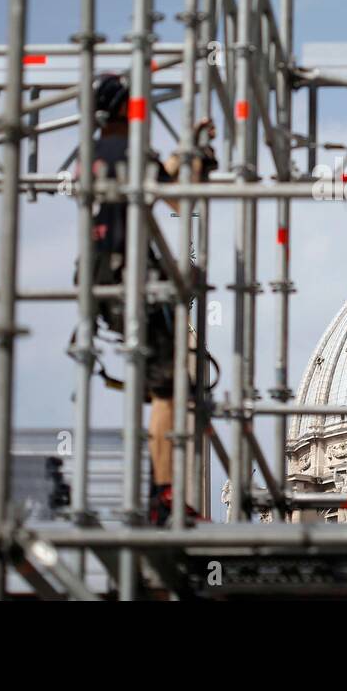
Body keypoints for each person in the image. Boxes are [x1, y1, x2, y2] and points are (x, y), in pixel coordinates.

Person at [87, 71, 216, 526]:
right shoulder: (129, 152)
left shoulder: (97, 155)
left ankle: (158, 491)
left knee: (160, 386)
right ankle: (161, 493)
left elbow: (163, 182)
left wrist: (186, 154)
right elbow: (178, 199)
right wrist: (197, 159)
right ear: (125, 109)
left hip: (105, 282)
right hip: (135, 283)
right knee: (168, 390)